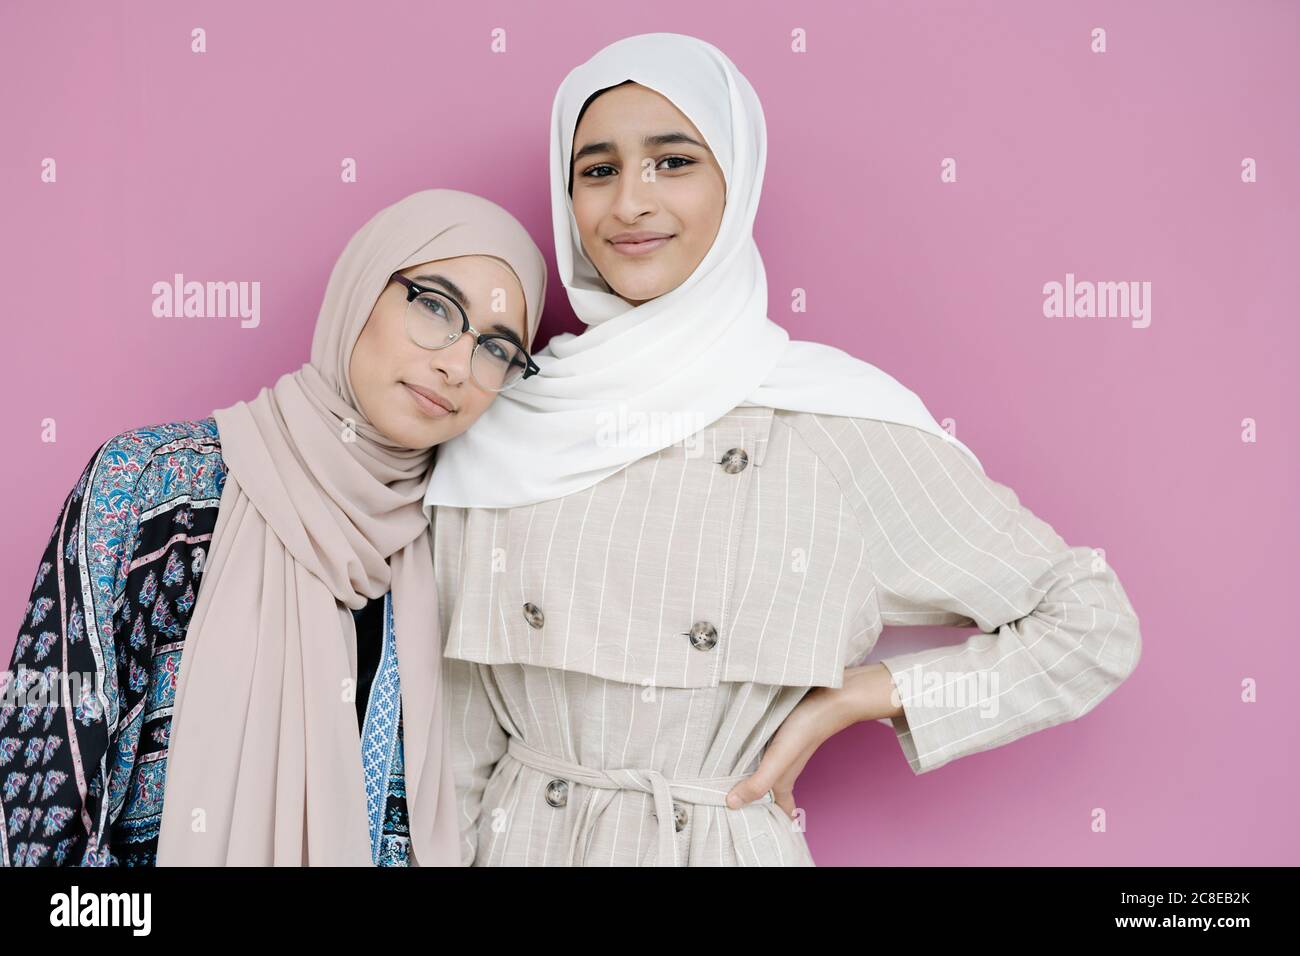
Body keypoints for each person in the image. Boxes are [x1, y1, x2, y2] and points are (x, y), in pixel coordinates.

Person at [423, 34, 1143, 867]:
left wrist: (862, 698)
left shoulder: (826, 413)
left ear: (737, 179)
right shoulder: (508, 415)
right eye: (597, 170)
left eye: (673, 161)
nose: (629, 203)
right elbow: (457, 737)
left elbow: (1090, 626)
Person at [0, 189, 547, 866]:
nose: (457, 366)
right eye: (435, 307)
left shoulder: (462, 544)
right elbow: (42, 787)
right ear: (362, 286)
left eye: (496, 347)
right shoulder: (151, 491)